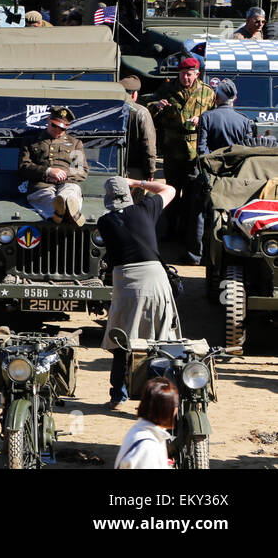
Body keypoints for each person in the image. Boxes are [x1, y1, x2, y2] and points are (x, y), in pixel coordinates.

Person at [98, 177, 179, 409]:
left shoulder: (104, 222)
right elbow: (169, 188)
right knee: (160, 338)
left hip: (126, 282)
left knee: (123, 339)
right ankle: (157, 396)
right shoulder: (146, 209)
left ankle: (118, 395)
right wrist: (138, 182)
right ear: (129, 194)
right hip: (155, 278)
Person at [148, 56, 214, 263]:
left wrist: (202, 119)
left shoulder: (207, 92)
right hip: (172, 150)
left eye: (190, 74)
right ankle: (170, 228)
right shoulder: (167, 90)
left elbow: (214, 116)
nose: (186, 77)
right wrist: (157, 105)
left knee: (193, 195)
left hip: (195, 153)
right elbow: (148, 107)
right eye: (183, 73)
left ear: (197, 74)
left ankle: (188, 232)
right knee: (172, 191)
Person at [18, 105, 88, 224]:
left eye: (62, 128)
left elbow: (81, 170)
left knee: (69, 193)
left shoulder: (75, 143)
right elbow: (23, 166)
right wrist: (48, 171)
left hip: (68, 182)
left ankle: (63, 210)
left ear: (67, 127)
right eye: (54, 125)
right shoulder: (30, 141)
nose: (57, 130)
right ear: (48, 120)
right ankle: (69, 214)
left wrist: (64, 174)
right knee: (47, 198)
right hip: (41, 184)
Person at [114, 377, 179, 469]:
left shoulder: (139, 431)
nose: (176, 410)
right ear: (166, 409)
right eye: (175, 405)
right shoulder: (148, 448)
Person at [197, 78, 256, 154]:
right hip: (236, 164)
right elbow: (247, 149)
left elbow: (201, 149)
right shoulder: (244, 120)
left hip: (212, 163)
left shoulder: (206, 117)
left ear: (216, 97)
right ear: (235, 99)